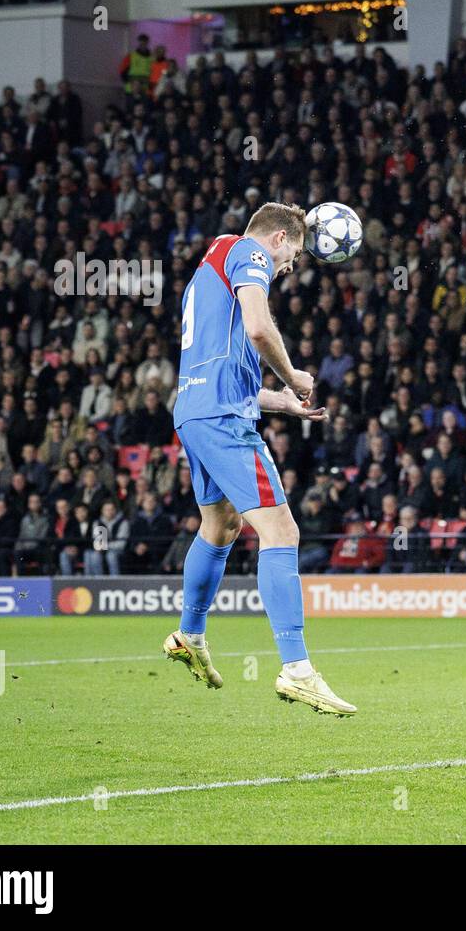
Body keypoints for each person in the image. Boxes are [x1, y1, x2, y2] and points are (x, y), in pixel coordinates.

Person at [163, 202, 356, 715]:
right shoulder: (246, 250)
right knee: (282, 533)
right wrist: (293, 375)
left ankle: (190, 634)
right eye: (291, 256)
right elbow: (258, 327)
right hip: (222, 421)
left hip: (195, 411)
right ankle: (297, 669)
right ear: (277, 238)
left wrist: (282, 401)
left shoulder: (213, 267)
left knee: (221, 527)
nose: (289, 267)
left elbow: (228, 368)